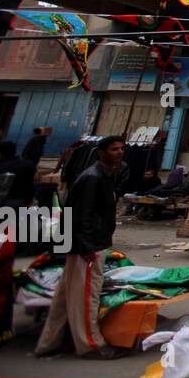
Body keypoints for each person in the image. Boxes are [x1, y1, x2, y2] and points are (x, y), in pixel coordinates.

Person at [35, 135, 126, 359]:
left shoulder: (102, 176)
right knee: (87, 295)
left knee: (66, 295)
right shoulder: (93, 177)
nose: (120, 152)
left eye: (122, 149)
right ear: (101, 152)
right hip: (88, 245)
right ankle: (90, 344)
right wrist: (87, 246)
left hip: (88, 242)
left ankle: (48, 342)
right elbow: (80, 215)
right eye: (115, 149)